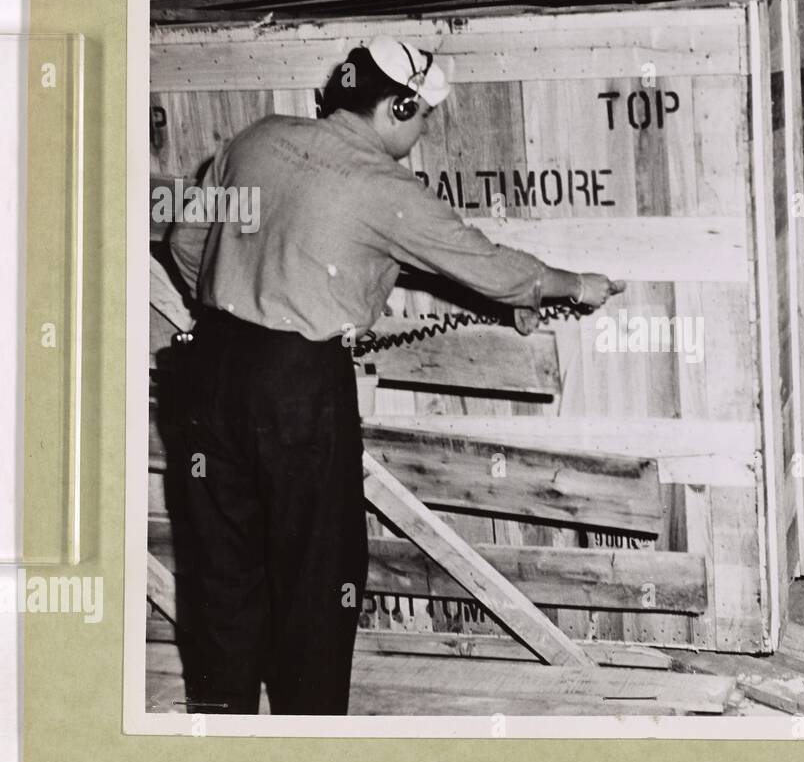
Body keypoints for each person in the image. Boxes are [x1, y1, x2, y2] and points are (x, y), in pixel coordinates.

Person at [167, 36, 621, 714]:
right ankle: (311, 753)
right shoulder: (383, 186)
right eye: (422, 115)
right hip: (295, 389)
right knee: (317, 580)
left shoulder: (256, 138)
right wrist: (576, 283)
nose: (424, 129)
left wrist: (258, 298)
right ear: (398, 105)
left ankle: (222, 745)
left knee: (223, 576)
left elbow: (184, 242)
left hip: (207, 372)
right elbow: (489, 265)